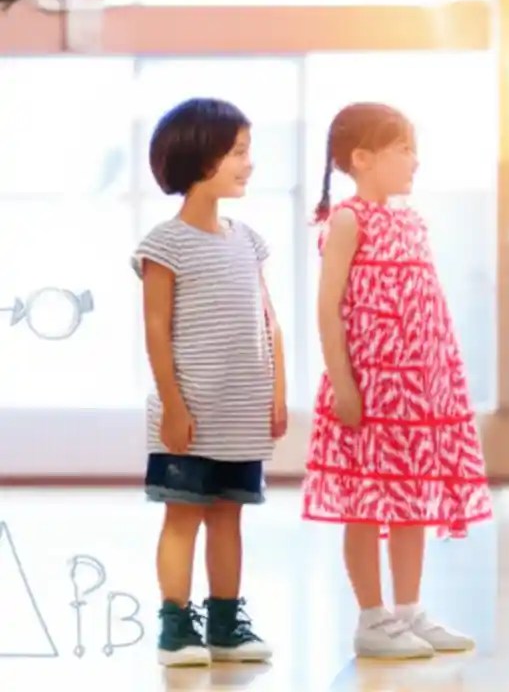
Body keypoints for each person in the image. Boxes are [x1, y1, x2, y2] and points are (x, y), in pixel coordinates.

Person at [300, 102, 493, 659]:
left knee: (410, 499)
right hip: (369, 385)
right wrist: (342, 383)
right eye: (402, 148)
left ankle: (408, 611)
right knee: (365, 500)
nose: (415, 159)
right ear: (362, 159)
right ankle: (371, 617)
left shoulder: (410, 219)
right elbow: (328, 306)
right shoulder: (347, 220)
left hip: (417, 390)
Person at [133, 97, 283, 667]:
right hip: (188, 411)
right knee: (183, 515)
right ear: (201, 158)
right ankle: (176, 626)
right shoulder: (163, 244)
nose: (249, 164)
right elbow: (155, 328)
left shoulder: (247, 240)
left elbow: (269, 320)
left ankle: (226, 624)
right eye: (239, 153)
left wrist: (277, 389)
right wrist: (172, 402)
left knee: (229, 515)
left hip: (239, 413)